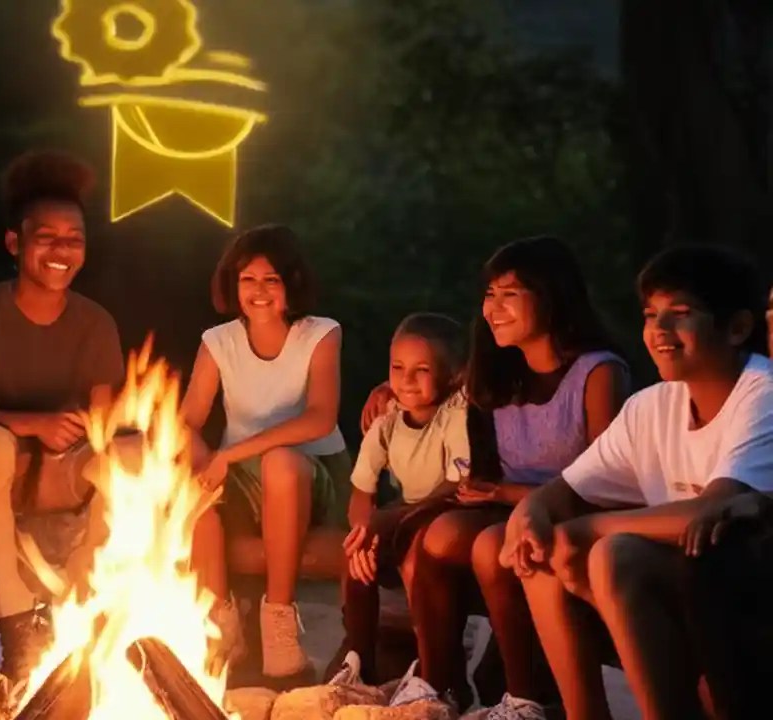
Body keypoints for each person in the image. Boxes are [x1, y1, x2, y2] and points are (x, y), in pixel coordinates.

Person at [502, 245, 773, 720]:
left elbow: (710, 511)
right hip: (688, 579)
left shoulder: (762, 392)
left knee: (612, 552)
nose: (660, 331)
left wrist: (589, 529)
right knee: (542, 545)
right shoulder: (652, 406)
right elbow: (563, 490)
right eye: (651, 315)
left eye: (681, 315)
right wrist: (530, 516)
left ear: (737, 327)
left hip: (743, 587)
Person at [389, 237, 628, 709]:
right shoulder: (499, 370)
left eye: (510, 294)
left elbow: (607, 481)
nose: (493, 308)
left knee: (489, 546)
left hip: (575, 511)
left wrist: (509, 492)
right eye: (489, 294)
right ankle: (440, 688)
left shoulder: (598, 372)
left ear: (552, 295)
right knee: (433, 538)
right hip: (506, 503)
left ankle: (525, 699)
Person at [0, 150, 149, 685]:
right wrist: (32, 423)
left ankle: (82, 612)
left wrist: (89, 428)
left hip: (61, 470)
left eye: (74, 239)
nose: (62, 250)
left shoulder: (95, 322)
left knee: (133, 455)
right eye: (47, 237)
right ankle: (17, 629)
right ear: (15, 243)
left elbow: (103, 423)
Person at [179, 224, 350, 685]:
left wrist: (229, 456)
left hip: (310, 474)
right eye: (247, 280)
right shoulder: (218, 341)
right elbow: (187, 421)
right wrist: (205, 468)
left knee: (279, 462)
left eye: (271, 279)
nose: (258, 291)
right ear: (233, 285)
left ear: (291, 283)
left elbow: (318, 417)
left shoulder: (320, 334)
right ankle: (223, 631)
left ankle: (279, 627)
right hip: (242, 479)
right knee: (191, 504)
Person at [331, 312, 470, 684]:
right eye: (397, 367)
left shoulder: (455, 415)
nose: (406, 380)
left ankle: (436, 674)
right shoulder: (387, 420)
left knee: (416, 561)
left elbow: (457, 489)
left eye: (421, 370)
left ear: (453, 375)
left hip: (448, 515)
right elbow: (362, 490)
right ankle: (359, 662)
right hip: (404, 518)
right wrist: (363, 532)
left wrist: (386, 521)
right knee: (356, 552)